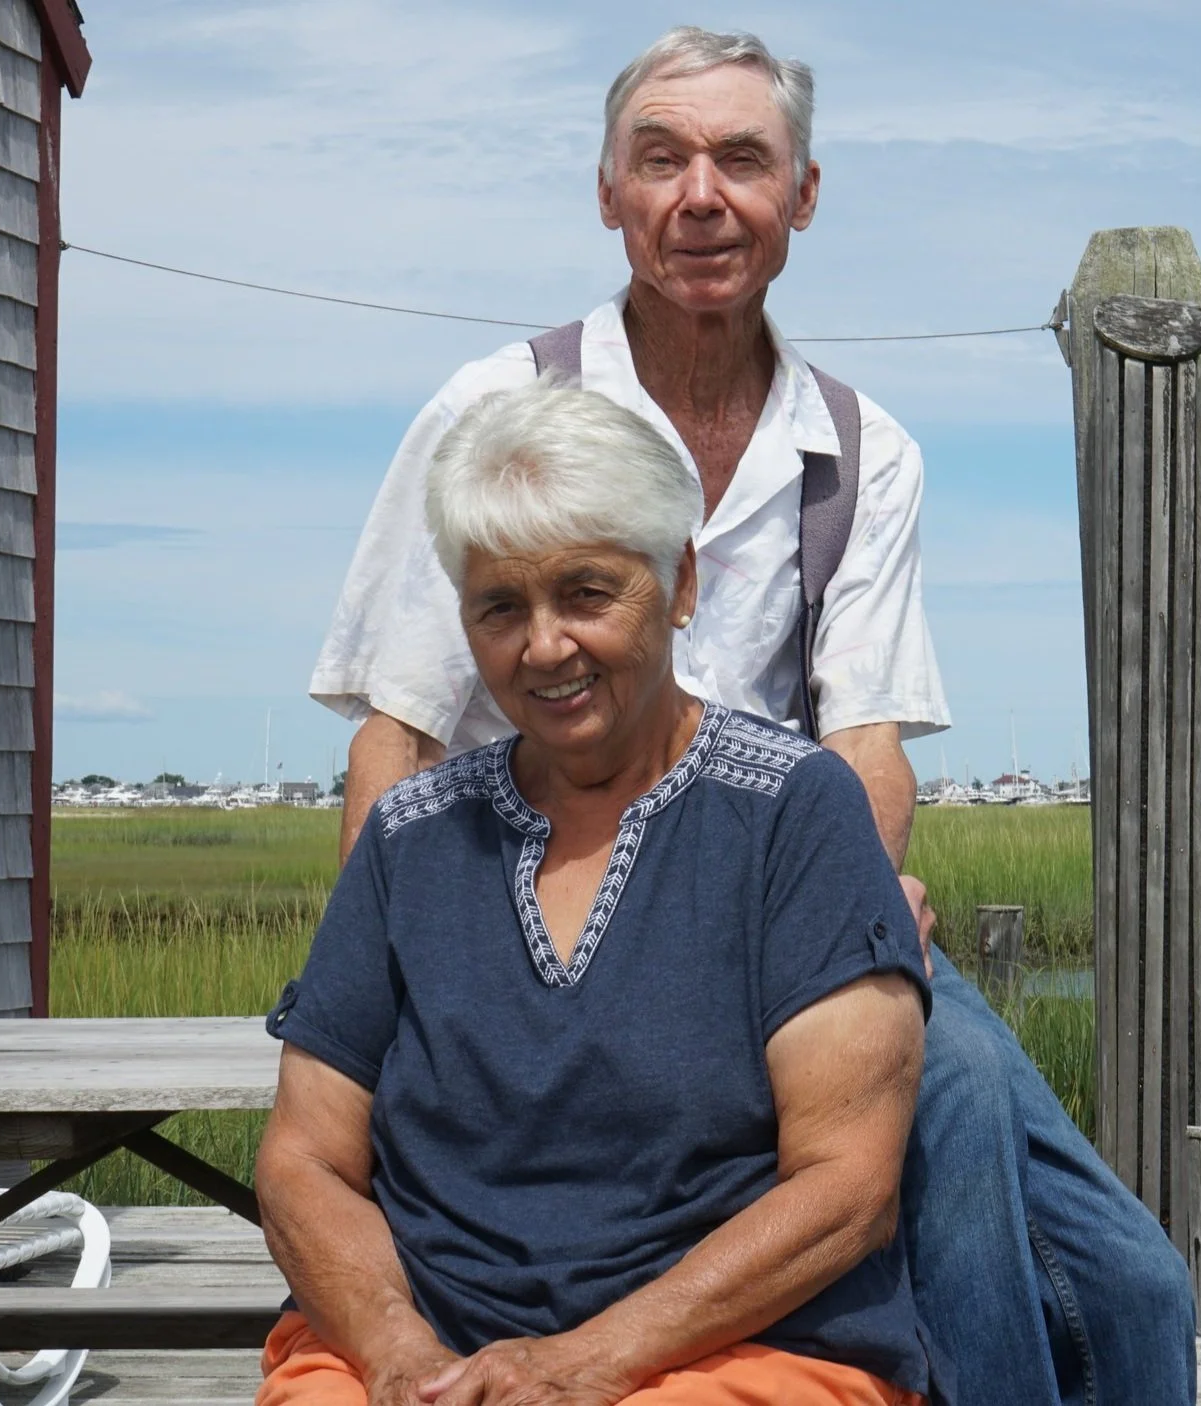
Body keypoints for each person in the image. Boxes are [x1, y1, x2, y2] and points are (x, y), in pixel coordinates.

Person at [309, 27, 1194, 1405]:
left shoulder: (860, 447)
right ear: (608, 191)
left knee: (1133, 1283)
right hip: (529, 911)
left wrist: (852, 913)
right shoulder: (491, 408)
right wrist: (417, 967)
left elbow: (865, 739)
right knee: (943, 1174)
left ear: (805, 193)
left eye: (741, 159)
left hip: (784, 903)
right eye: (660, 160)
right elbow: (401, 730)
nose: (700, 196)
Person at [259, 383, 933, 1406]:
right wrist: (397, 1350)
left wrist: (586, 1362)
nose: (542, 647)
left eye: (586, 593)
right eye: (499, 607)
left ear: (679, 583)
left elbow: (845, 1185)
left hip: (732, 1347)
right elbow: (306, 1156)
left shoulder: (794, 810)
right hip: (423, 1347)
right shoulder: (412, 835)